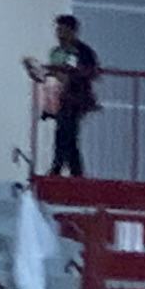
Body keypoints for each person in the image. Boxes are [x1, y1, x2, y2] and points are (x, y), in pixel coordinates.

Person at [36, 15, 101, 177]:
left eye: (62, 29)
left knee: (64, 132)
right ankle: (75, 171)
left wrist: (72, 73)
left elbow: (90, 72)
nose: (59, 33)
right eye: (58, 29)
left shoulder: (83, 52)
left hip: (74, 98)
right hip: (58, 97)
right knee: (67, 134)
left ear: (72, 31)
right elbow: (52, 74)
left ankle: (58, 168)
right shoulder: (56, 52)